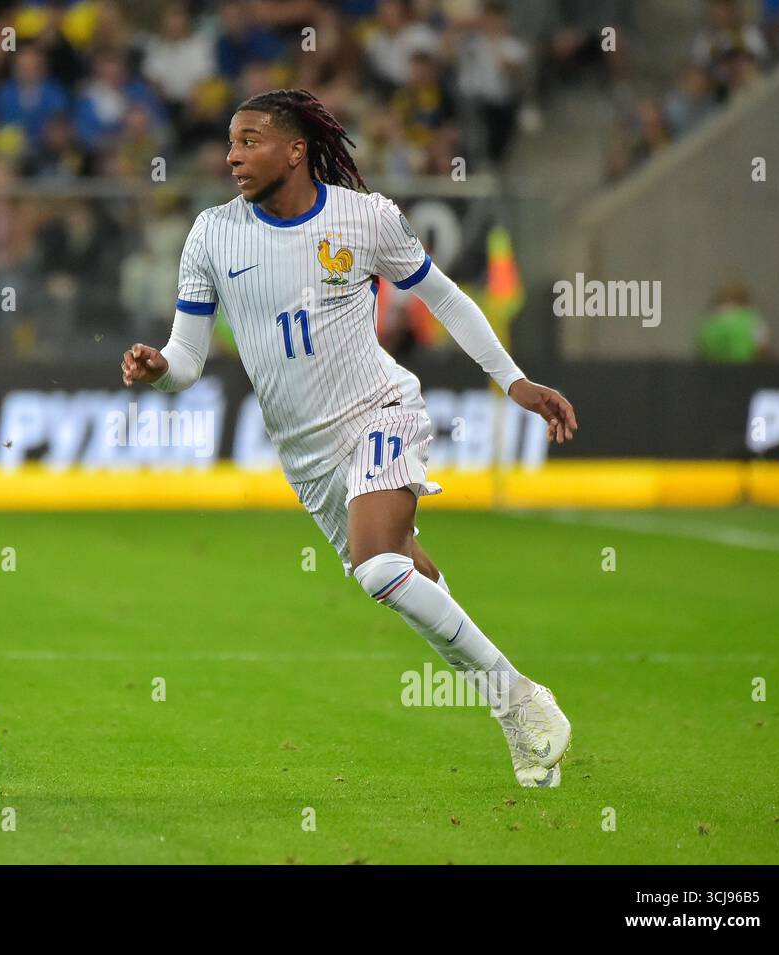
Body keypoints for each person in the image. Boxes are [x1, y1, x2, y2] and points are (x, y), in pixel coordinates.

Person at [121, 89, 578, 788]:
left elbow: (445, 296)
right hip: (304, 456)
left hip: (380, 409)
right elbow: (186, 358)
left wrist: (512, 380)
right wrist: (158, 368)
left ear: (295, 149)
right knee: (408, 576)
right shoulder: (212, 234)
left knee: (375, 566)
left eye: (249, 141)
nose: (232, 156)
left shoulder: (364, 219)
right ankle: (511, 707)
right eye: (231, 142)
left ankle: (518, 697)